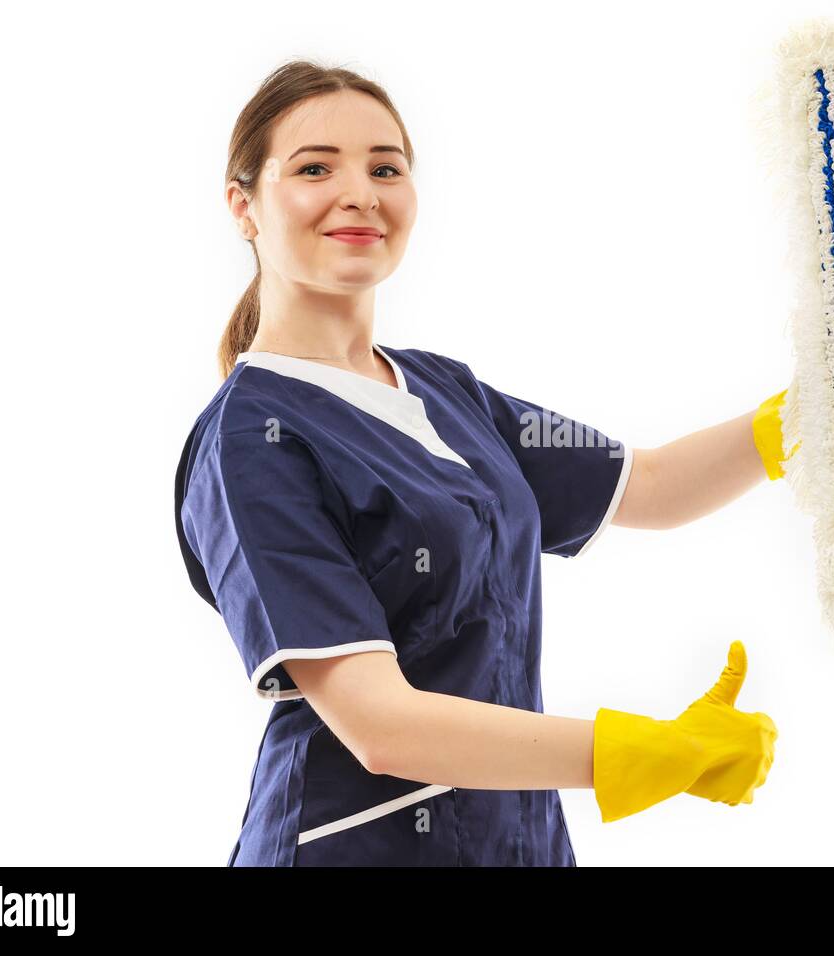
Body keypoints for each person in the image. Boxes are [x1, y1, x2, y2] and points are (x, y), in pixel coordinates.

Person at [174, 60, 798, 866]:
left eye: (385, 167)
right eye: (315, 167)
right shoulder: (250, 440)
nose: (360, 191)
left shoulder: (445, 390)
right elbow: (381, 725)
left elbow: (647, 483)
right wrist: (642, 753)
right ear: (244, 206)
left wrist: (798, 421)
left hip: (518, 843)